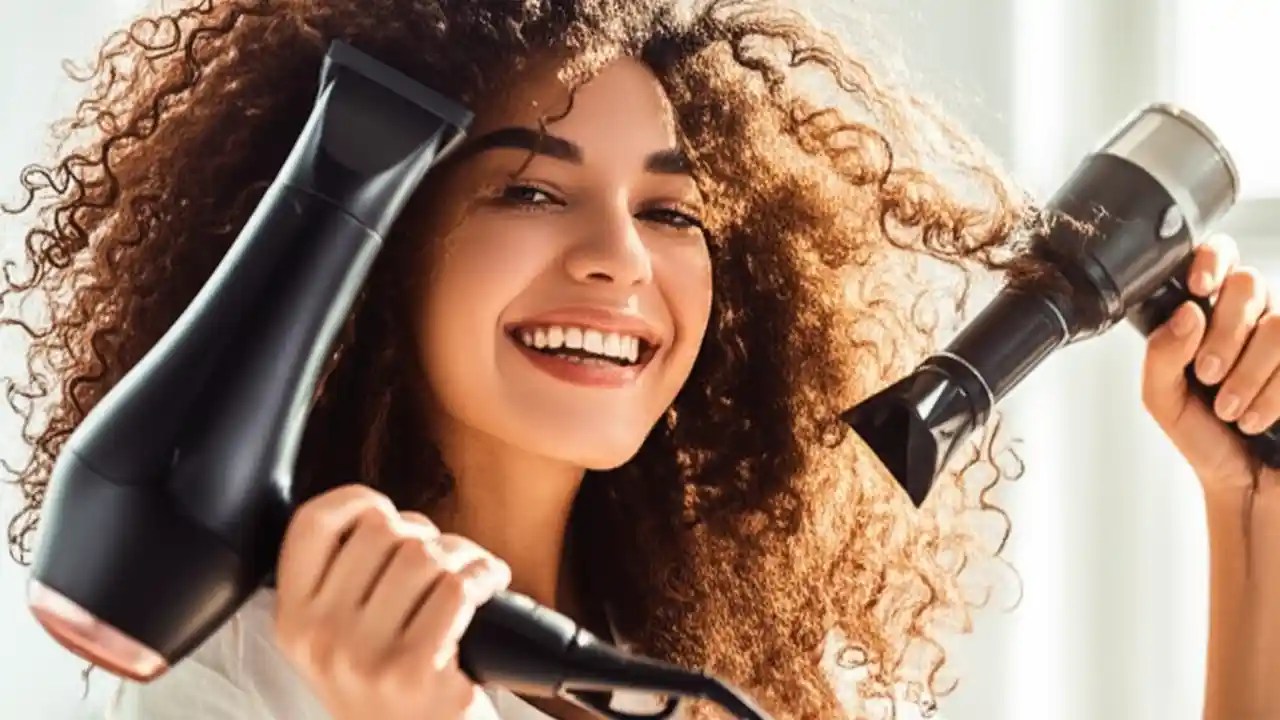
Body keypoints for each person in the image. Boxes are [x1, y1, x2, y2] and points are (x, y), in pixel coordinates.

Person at [3, 0, 1279, 718]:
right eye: (529, 190)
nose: (620, 259)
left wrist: (1251, 520)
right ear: (366, 244)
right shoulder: (240, 676)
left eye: (670, 211)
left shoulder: (714, 670)